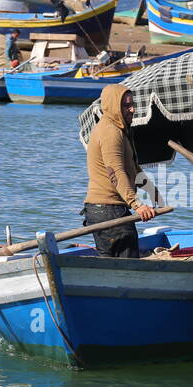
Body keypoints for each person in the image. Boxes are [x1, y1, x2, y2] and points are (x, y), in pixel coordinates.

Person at [83, 83, 158, 258]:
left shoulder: (119, 130)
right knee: (128, 266)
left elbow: (133, 168)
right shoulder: (110, 131)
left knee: (112, 267)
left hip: (106, 210)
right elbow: (116, 172)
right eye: (126, 105)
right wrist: (137, 204)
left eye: (132, 104)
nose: (132, 109)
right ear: (112, 107)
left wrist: (154, 194)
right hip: (108, 211)